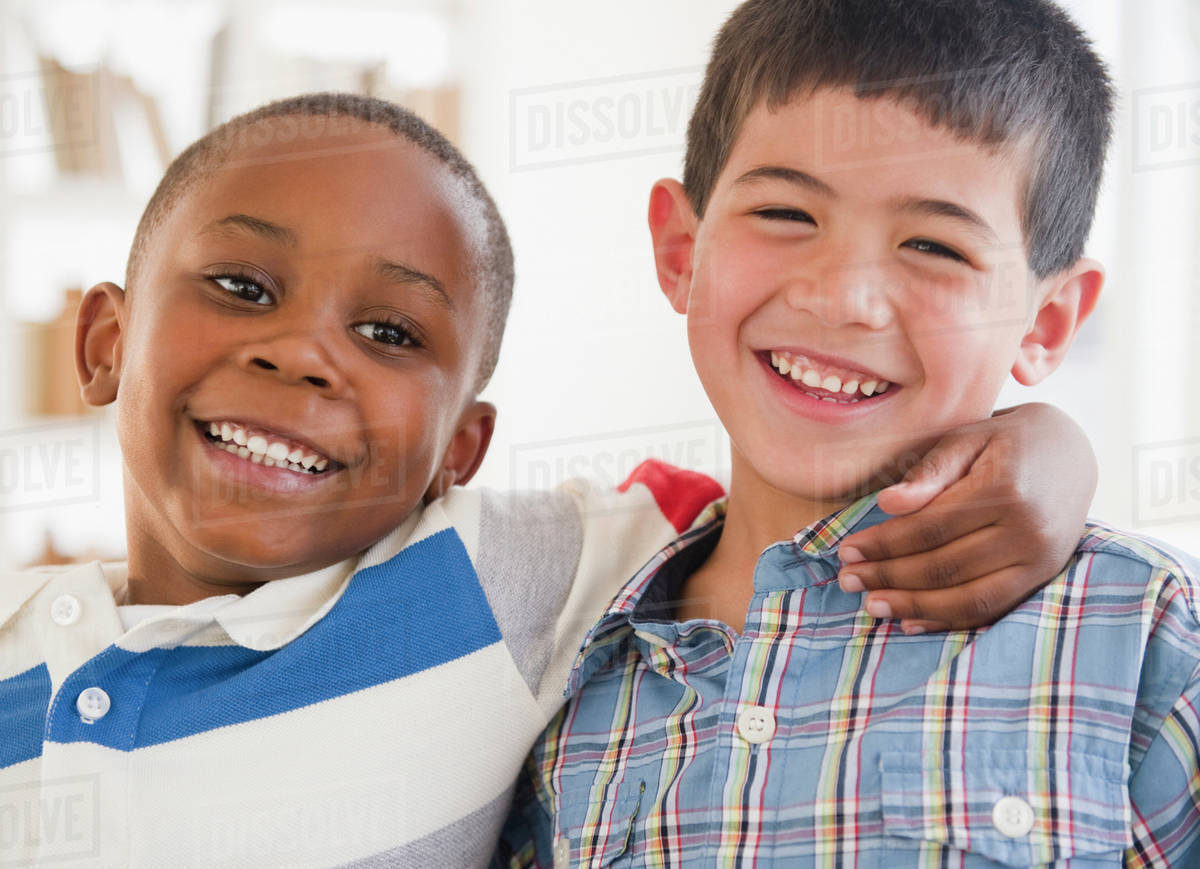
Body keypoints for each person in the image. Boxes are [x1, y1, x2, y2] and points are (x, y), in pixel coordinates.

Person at [0, 91, 1091, 867]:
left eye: (389, 331)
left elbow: (751, 514)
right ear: (104, 342)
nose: (301, 354)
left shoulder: (494, 580)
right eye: (243, 285)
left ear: (462, 450)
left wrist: (1044, 447)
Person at [496, 0, 1200, 866]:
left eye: (935, 247)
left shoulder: (1144, 635)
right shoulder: (570, 670)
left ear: (1046, 321)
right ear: (682, 251)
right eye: (786, 214)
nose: (842, 298)